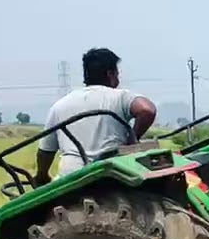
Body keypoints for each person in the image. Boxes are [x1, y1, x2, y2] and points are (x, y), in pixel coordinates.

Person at [34, 48, 156, 185]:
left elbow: (45, 152)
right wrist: (132, 140)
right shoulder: (119, 96)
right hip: (115, 174)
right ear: (110, 74)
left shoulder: (59, 106)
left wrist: (41, 176)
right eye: (117, 73)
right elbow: (147, 110)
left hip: (71, 178)